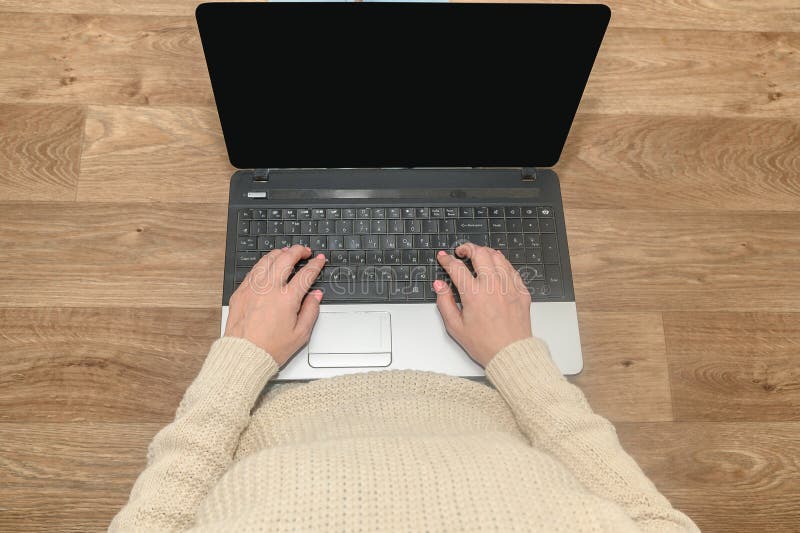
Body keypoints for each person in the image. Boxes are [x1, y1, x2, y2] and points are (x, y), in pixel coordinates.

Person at [110, 243, 698, 532]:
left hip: (271, 405)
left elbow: (159, 515)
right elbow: (649, 518)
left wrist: (241, 357)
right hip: (499, 398)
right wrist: (517, 357)